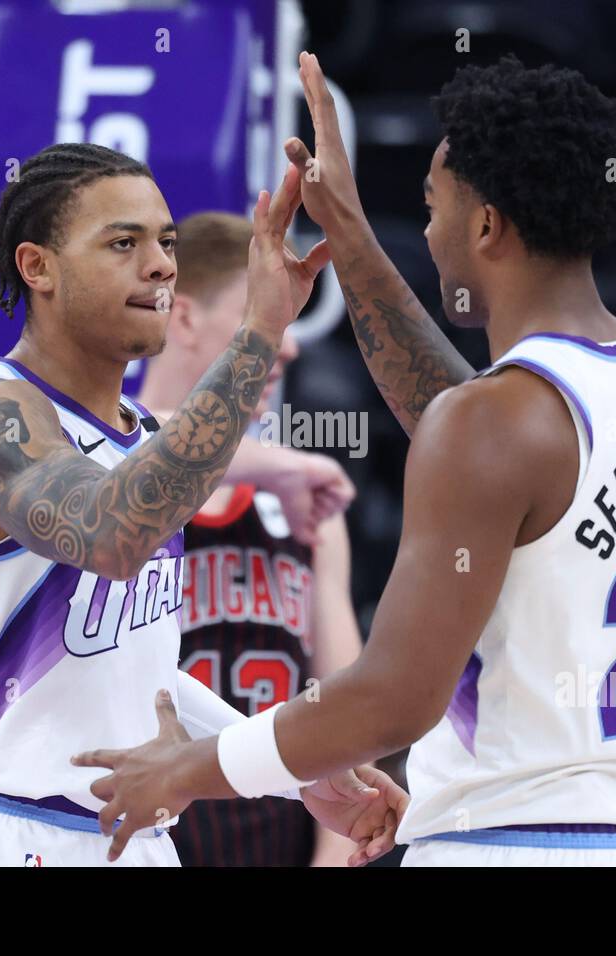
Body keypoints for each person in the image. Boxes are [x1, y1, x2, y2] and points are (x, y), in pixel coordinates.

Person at [77, 53, 616, 868]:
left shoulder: (495, 424)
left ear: (486, 227)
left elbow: (392, 699)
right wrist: (344, 231)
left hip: (516, 844)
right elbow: (471, 428)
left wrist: (188, 769)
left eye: (432, 205)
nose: (426, 230)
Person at [0, 143, 405, 867]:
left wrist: (293, 773)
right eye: (123, 243)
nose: (163, 263)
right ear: (36, 266)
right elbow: (112, 533)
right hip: (5, 832)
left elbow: (140, 675)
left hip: (135, 842)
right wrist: (258, 330)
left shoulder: (143, 439)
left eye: (166, 242)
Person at [140, 211, 364, 866]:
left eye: (287, 325)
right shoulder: (107, 471)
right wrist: (282, 464)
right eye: (260, 322)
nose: (287, 347)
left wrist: (335, 855)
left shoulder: (304, 500)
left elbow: (344, 706)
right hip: (145, 839)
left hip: (280, 842)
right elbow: (139, 447)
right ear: (182, 319)